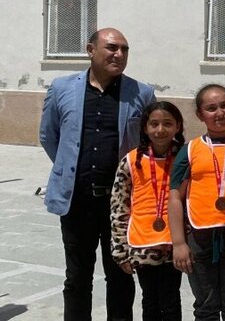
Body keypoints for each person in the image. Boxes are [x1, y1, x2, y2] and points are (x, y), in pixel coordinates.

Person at [39, 27, 156, 321]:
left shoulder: (141, 93)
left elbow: (151, 141)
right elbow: (48, 136)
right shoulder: (62, 88)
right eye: (113, 48)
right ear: (90, 49)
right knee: (77, 277)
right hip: (77, 201)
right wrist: (70, 169)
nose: (119, 54)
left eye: (124, 50)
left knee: (121, 275)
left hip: (121, 206)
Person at [169, 84, 225, 321]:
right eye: (211, 108)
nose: (219, 113)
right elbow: (176, 197)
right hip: (199, 238)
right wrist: (178, 242)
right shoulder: (190, 150)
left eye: (224, 105)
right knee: (206, 305)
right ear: (200, 114)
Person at [110, 102, 187, 321]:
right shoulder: (131, 161)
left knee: (171, 300)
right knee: (150, 300)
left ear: (178, 127)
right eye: (154, 124)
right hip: (142, 244)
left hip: (174, 244)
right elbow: (119, 207)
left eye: (167, 123)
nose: (160, 130)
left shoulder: (185, 158)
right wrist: (119, 249)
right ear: (144, 128)